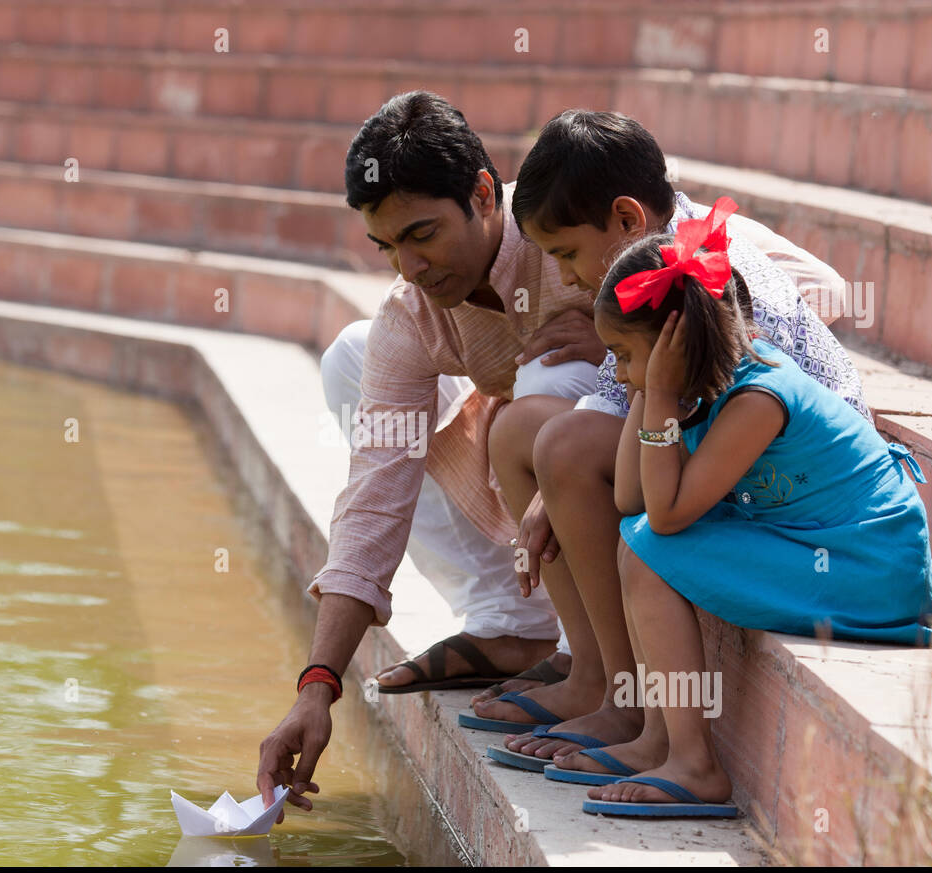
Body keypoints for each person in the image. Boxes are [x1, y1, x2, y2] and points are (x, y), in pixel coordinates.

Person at [255, 93, 846, 816]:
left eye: (422, 234)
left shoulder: (584, 210)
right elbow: (372, 501)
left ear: (482, 196)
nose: (408, 267)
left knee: (551, 407)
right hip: (618, 445)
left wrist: (639, 336)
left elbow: (820, 293)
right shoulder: (424, 309)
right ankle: (519, 627)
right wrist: (319, 685)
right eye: (387, 248)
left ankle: (601, 674)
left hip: (759, 457)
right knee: (367, 361)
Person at [475, 110, 876, 759]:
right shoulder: (654, 262)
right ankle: (595, 673)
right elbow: (614, 391)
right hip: (733, 451)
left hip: (796, 484)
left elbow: (752, 407)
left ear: (628, 219)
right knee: (525, 432)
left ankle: (628, 697)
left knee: (568, 452)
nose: (570, 279)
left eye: (568, 254)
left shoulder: (708, 276)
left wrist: (570, 476)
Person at [568, 207, 932, 815]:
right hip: (825, 552)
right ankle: (662, 739)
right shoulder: (704, 386)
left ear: (678, 347)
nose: (616, 370)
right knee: (635, 536)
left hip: (870, 570)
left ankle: (695, 765)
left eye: (623, 353)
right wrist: (648, 388)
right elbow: (630, 499)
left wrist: (658, 390)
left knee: (648, 547)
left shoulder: (757, 395)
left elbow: (660, 521)